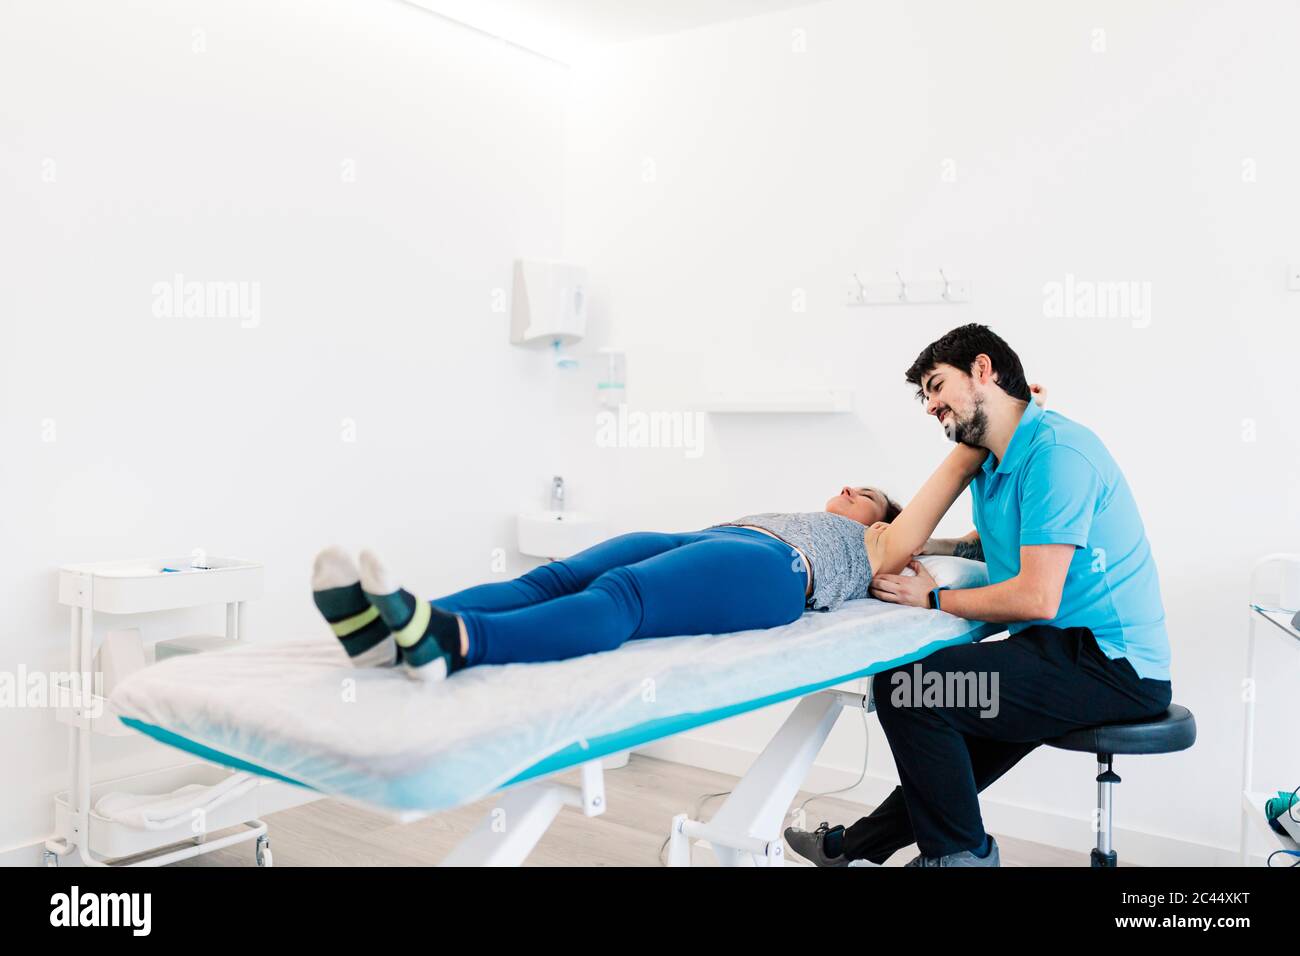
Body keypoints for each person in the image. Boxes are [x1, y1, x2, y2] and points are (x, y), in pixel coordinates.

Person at [785, 324, 1173, 868]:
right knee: (946, 755)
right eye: (925, 395)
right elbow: (976, 548)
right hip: (1058, 649)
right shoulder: (994, 468)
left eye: (936, 386)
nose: (930, 405)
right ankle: (853, 848)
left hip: (1112, 665)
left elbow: (1038, 596)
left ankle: (961, 860)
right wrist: (890, 546)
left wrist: (935, 600)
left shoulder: (1058, 454)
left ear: (983, 371)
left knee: (908, 687)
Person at [307, 446, 990, 681]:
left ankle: (455, 644)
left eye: (866, 494)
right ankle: (384, 632)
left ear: (887, 520)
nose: (849, 490)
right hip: (714, 537)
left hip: (777, 573)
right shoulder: (803, 511)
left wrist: (970, 454)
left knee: (623, 598)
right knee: (550, 578)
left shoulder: (877, 545)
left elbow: (942, 539)